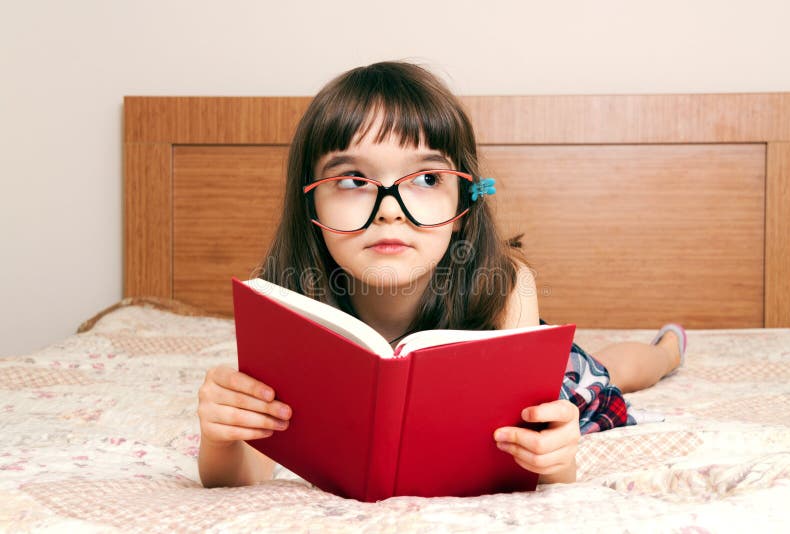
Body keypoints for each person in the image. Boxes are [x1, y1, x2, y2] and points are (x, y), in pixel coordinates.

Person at [197, 61, 687, 489]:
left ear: (463, 203)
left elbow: (542, 460)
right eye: (352, 180)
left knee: (611, 371)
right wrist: (220, 438)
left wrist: (556, 460)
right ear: (310, 203)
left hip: (549, 381)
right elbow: (247, 470)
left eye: (427, 179)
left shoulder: (506, 284)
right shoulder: (280, 297)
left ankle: (666, 350)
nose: (390, 211)